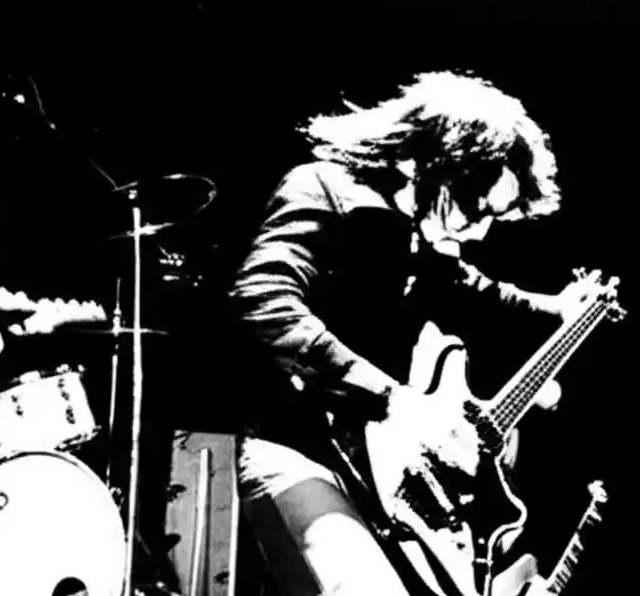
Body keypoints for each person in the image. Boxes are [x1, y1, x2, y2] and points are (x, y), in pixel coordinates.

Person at [228, 71, 603, 596]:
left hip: (387, 486)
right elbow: (262, 303)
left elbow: (486, 292)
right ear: (439, 160)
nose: (480, 231)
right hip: (298, 455)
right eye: (477, 208)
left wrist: (557, 307)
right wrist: (391, 400)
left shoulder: (420, 244)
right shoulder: (322, 188)